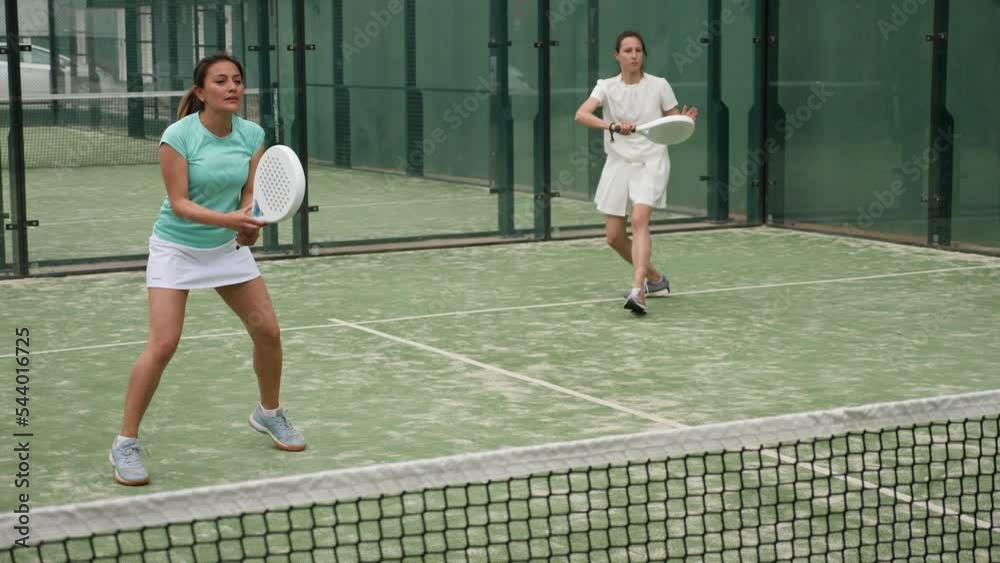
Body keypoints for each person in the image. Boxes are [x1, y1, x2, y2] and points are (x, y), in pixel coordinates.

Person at [109, 53, 305, 486]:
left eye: (237, 80)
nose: (233, 87)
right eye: (221, 81)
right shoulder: (177, 137)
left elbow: (251, 194)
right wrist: (232, 222)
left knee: (268, 331)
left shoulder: (252, 134)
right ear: (201, 92)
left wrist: (249, 225)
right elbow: (180, 204)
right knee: (163, 344)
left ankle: (268, 413)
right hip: (176, 249)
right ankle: (125, 442)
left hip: (226, 248)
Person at [574, 30, 698, 315]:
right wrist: (613, 126)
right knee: (614, 237)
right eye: (627, 51)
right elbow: (582, 114)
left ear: (643, 55)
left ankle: (637, 289)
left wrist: (683, 122)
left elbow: (673, 122)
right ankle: (656, 280)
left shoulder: (659, 85)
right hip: (618, 162)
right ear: (617, 55)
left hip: (651, 162)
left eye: (638, 51)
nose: (633, 56)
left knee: (640, 219)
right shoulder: (605, 87)